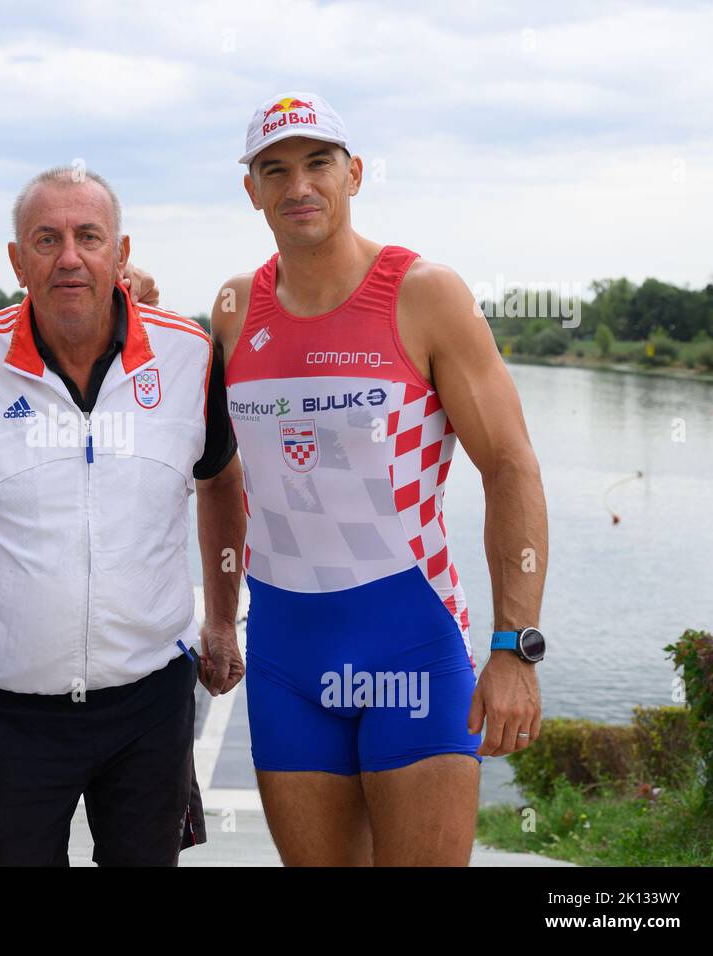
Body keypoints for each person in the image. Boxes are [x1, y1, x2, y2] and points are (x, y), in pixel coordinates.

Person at [211, 92, 548, 866]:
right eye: (276, 169)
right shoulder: (235, 309)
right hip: (285, 661)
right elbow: (214, 473)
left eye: (318, 164)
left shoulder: (423, 293)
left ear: (353, 173)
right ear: (253, 190)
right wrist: (222, 618)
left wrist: (514, 649)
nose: (298, 185)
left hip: (411, 649)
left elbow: (511, 466)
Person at [0, 167, 247, 866]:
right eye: (47, 239)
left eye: (89, 236)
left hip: (149, 703)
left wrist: (220, 618)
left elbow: (219, 479)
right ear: (17, 260)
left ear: (120, 253)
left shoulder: (188, 356)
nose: (70, 256)